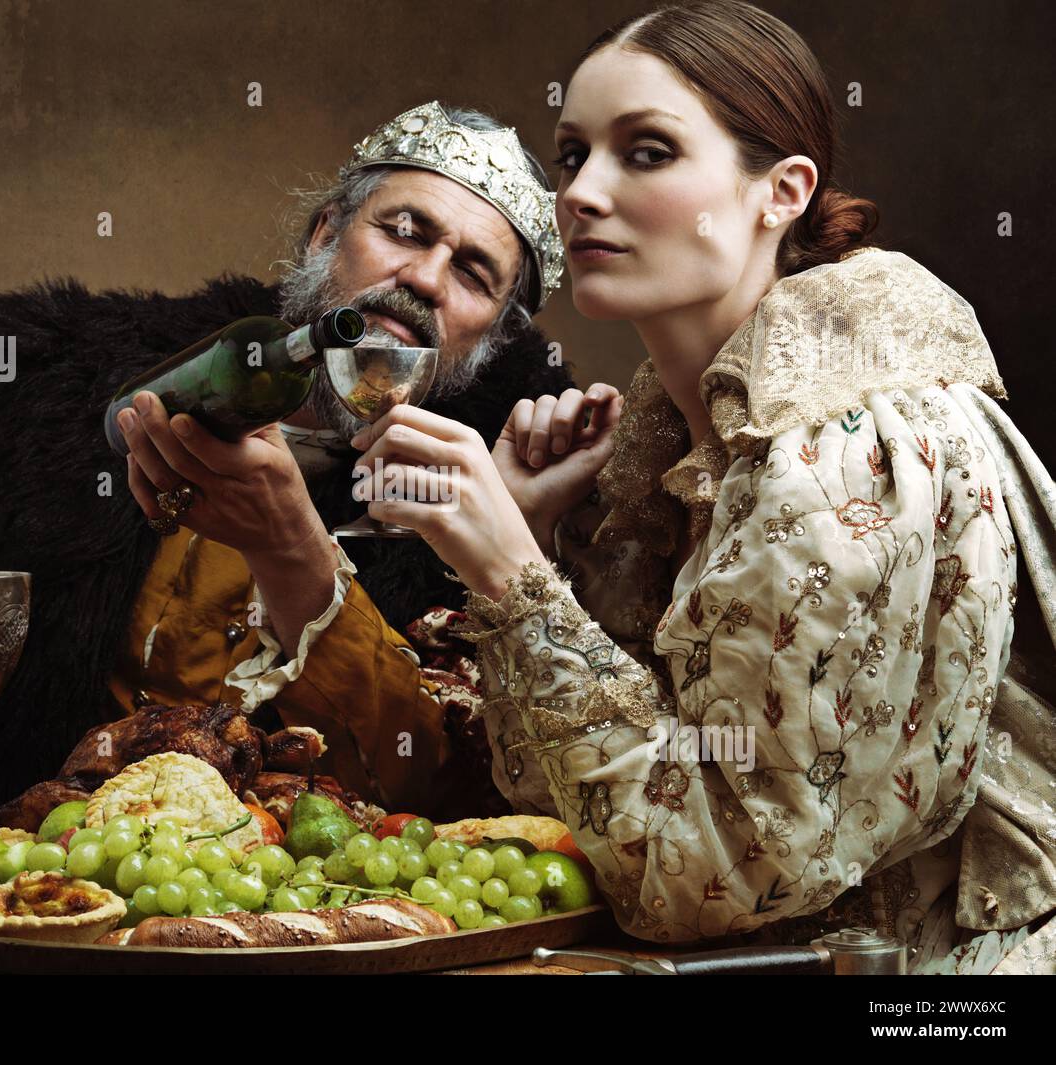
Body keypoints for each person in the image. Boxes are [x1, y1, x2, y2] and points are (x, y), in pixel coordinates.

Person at [349, 3, 1056, 974]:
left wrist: (509, 569)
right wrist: (539, 535)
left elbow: (710, 873)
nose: (582, 194)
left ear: (780, 191)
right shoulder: (681, 450)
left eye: (645, 152)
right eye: (572, 155)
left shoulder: (849, 453)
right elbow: (593, 806)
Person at [0, 101, 583, 827]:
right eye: (406, 231)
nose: (424, 279)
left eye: (474, 274)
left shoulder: (486, 502)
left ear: (491, 341)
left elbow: (440, 784)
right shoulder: (94, 382)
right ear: (323, 235)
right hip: (39, 894)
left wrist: (292, 548)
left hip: (306, 924)